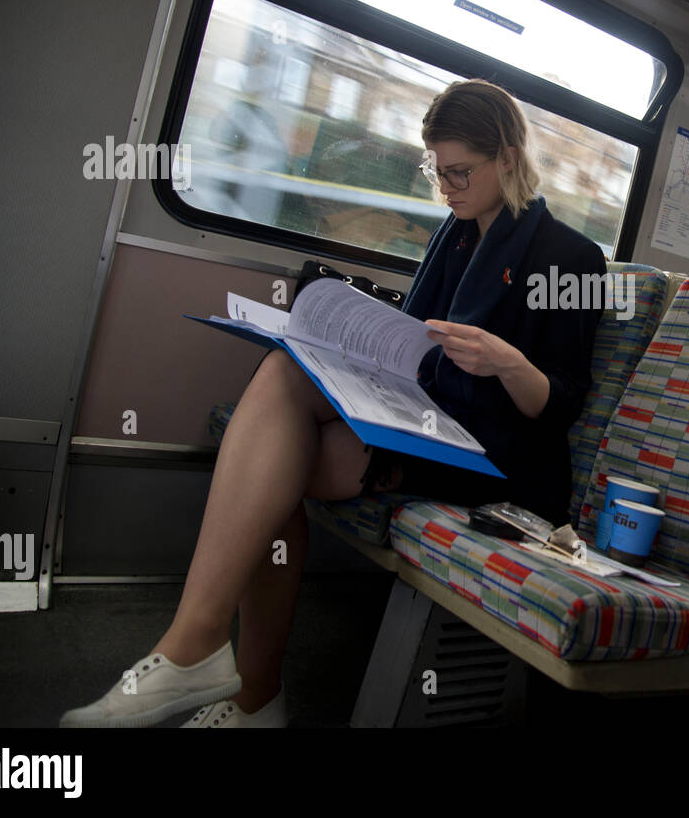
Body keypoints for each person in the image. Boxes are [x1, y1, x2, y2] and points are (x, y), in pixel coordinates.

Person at [60, 79, 607, 728]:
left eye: (459, 172)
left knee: (273, 465)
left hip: (496, 451)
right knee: (284, 377)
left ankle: (233, 678)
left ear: (508, 158)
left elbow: (563, 401)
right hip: (425, 414)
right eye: (437, 171)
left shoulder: (571, 257)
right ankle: (222, 667)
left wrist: (507, 361)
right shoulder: (456, 239)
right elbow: (417, 343)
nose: (445, 187)